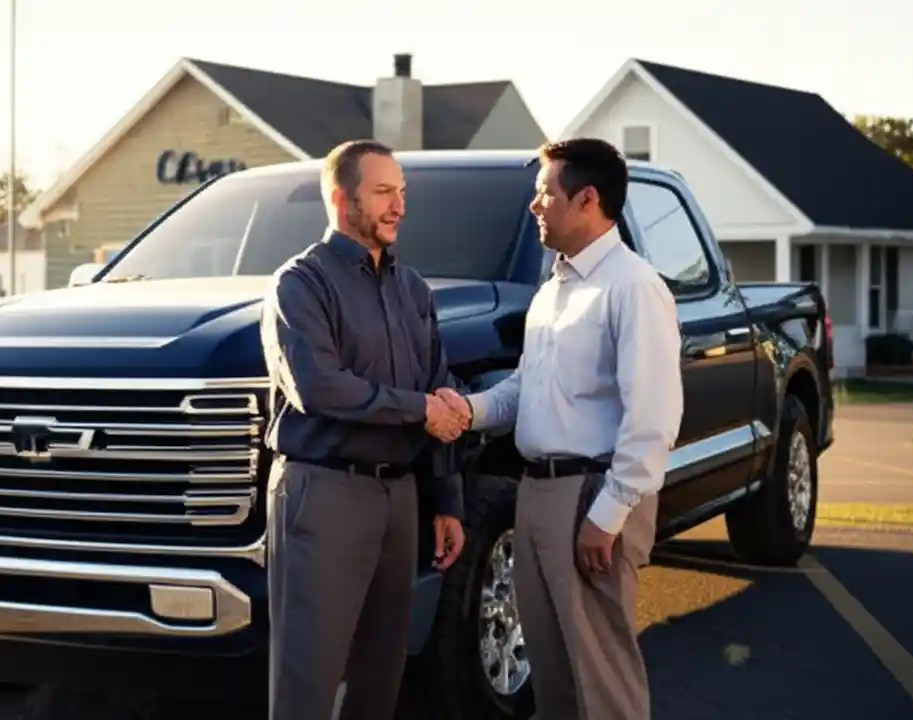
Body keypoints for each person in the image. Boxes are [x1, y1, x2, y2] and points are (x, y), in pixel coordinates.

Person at [437, 138, 683, 719]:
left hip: (593, 496)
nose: (535, 206)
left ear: (587, 199)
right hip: (539, 494)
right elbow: (527, 387)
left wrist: (608, 516)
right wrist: (467, 411)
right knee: (552, 677)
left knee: (602, 681)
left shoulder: (633, 287)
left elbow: (654, 416)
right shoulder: (554, 290)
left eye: (545, 193)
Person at [259, 139, 469, 720]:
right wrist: (421, 409)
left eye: (401, 192)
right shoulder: (299, 284)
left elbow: (438, 385)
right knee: (308, 679)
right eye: (382, 192)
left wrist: (445, 499)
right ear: (340, 198)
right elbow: (319, 387)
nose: (398, 205)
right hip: (324, 493)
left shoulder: (413, 289)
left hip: (398, 497)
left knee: (380, 677)